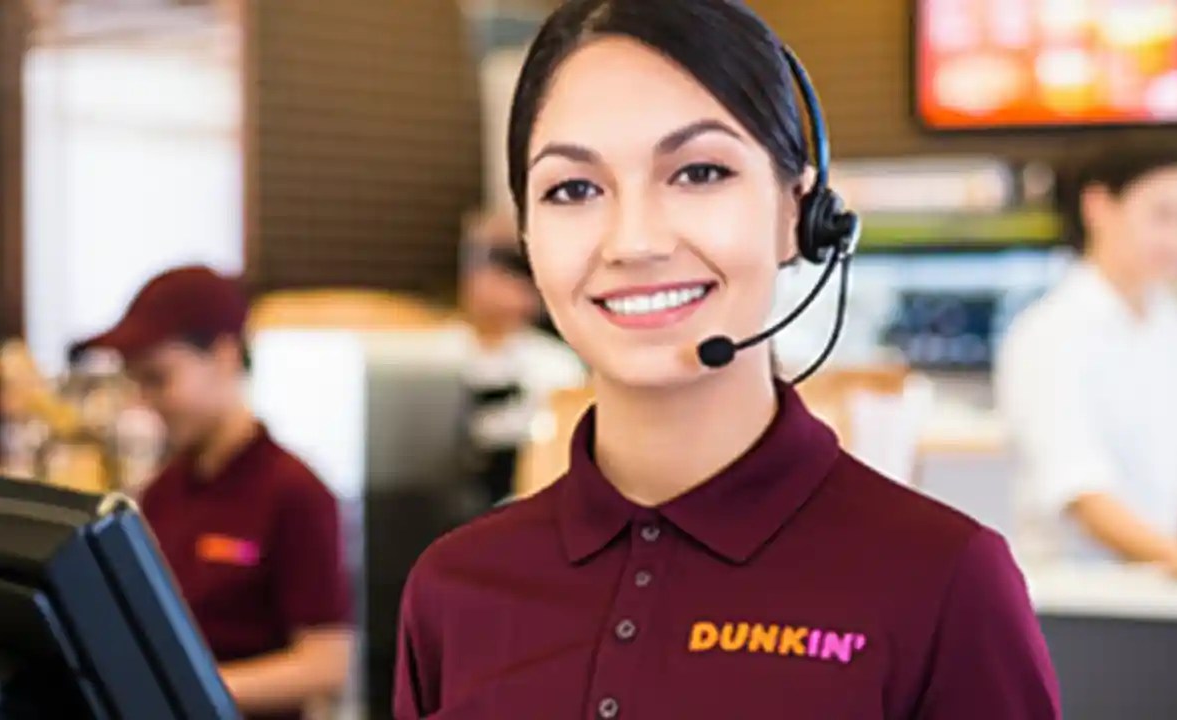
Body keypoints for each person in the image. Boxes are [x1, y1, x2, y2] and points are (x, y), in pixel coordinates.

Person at [393, 2, 1059, 718]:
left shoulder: (942, 579)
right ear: (528, 235)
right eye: (574, 189)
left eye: (699, 172)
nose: (633, 242)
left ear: (798, 215)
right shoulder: (454, 587)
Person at [72, 266, 354, 720]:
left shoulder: (295, 492)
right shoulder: (162, 492)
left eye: (158, 379)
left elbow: (326, 664)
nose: (144, 403)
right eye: (137, 383)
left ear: (223, 357)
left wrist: (187, 689)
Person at [996, 142, 1177, 574]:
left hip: (1167, 586)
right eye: (1164, 216)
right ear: (1099, 207)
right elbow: (1082, 495)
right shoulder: (1050, 333)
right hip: (1085, 598)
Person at [444, 208, 586, 503]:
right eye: (478, 263)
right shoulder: (432, 353)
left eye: (509, 269)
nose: (487, 280)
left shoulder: (557, 366)